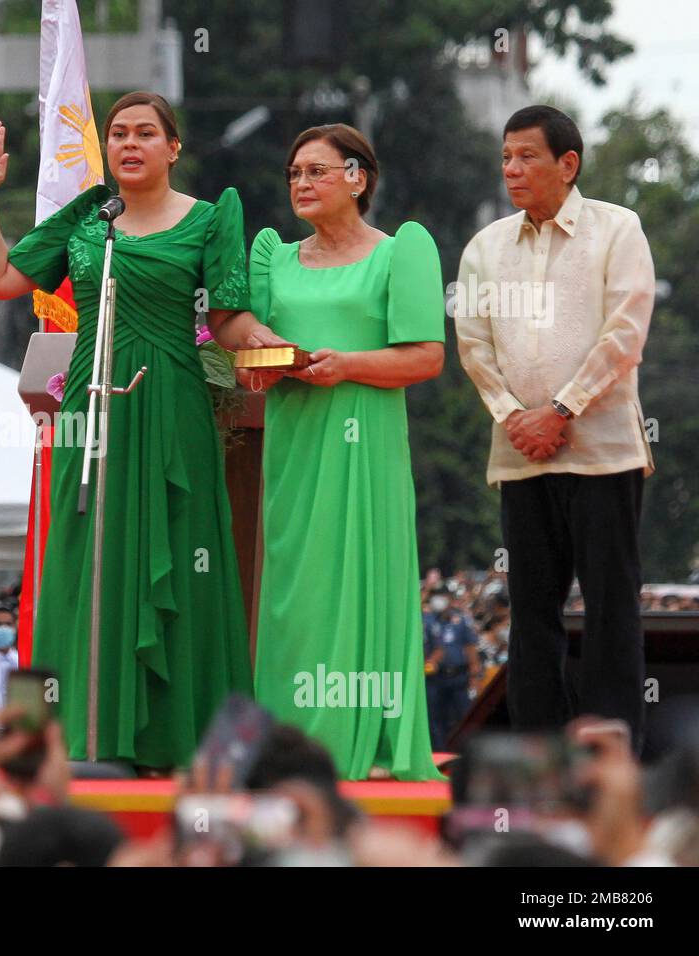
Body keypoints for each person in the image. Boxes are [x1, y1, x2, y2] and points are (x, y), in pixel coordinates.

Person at [0, 91, 284, 769]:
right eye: (117, 134)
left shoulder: (207, 218)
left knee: (187, 556)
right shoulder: (88, 217)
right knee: (85, 558)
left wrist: (275, 345)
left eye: (145, 133)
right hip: (91, 400)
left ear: (173, 148)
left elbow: (228, 320)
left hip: (171, 398)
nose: (129, 144)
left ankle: (186, 741)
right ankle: (69, 738)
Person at [246, 123, 445, 780]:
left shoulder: (401, 252)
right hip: (293, 439)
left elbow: (427, 356)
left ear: (357, 177)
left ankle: (369, 741)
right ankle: (290, 739)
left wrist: (349, 364)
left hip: (364, 437)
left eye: (317, 171)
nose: (302, 183)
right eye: (295, 173)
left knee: (362, 574)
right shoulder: (273, 257)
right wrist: (262, 361)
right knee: (297, 590)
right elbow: (246, 355)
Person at [454, 105, 655, 751]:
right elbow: (472, 342)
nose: (511, 169)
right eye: (505, 157)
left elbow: (625, 333)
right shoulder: (485, 246)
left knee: (611, 609)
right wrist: (514, 417)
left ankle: (610, 754)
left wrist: (562, 409)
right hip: (522, 456)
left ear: (568, 164)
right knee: (531, 615)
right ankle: (538, 758)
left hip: (604, 454)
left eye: (526, 156)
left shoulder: (618, 230)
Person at [423, 585, 481, 751]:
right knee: (435, 719)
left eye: (441, 596)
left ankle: (467, 755)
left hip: (459, 676)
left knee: (464, 717)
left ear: (449, 599)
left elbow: (471, 648)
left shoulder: (460, 620)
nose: (438, 600)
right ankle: (441, 755)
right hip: (435, 677)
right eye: (435, 597)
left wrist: (475, 675)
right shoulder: (427, 620)